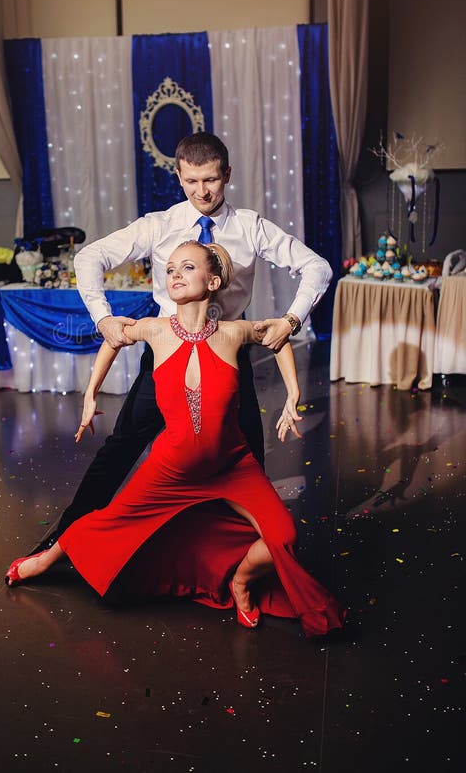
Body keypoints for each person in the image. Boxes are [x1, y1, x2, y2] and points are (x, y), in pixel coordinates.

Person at [6, 241, 345, 637]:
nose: (175, 275)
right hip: (171, 469)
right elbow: (113, 337)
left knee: (284, 537)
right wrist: (90, 394)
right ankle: (46, 560)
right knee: (107, 520)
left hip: (233, 466)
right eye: (170, 270)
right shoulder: (155, 329)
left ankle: (239, 583)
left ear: (213, 281)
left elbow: (278, 338)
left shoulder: (234, 332)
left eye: (187, 267)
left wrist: (293, 394)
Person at [30, 132, 332, 555]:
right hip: (166, 353)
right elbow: (89, 257)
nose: (201, 191)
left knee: (247, 452)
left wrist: (291, 319)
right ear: (178, 177)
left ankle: (244, 553)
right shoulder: (160, 224)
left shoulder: (250, 226)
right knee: (122, 446)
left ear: (227, 174)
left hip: (228, 353)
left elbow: (317, 268)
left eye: (210, 180)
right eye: (191, 181)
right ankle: (63, 539)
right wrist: (103, 318)